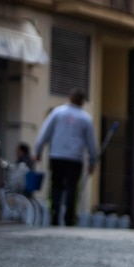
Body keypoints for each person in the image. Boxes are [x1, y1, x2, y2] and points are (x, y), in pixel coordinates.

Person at [34, 90, 97, 227]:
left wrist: (38, 150)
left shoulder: (57, 112)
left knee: (55, 186)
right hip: (74, 159)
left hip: (56, 155)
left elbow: (45, 132)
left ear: (69, 98)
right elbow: (91, 142)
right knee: (72, 188)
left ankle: (54, 214)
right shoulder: (85, 118)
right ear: (82, 102)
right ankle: (69, 218)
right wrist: (93, 160)